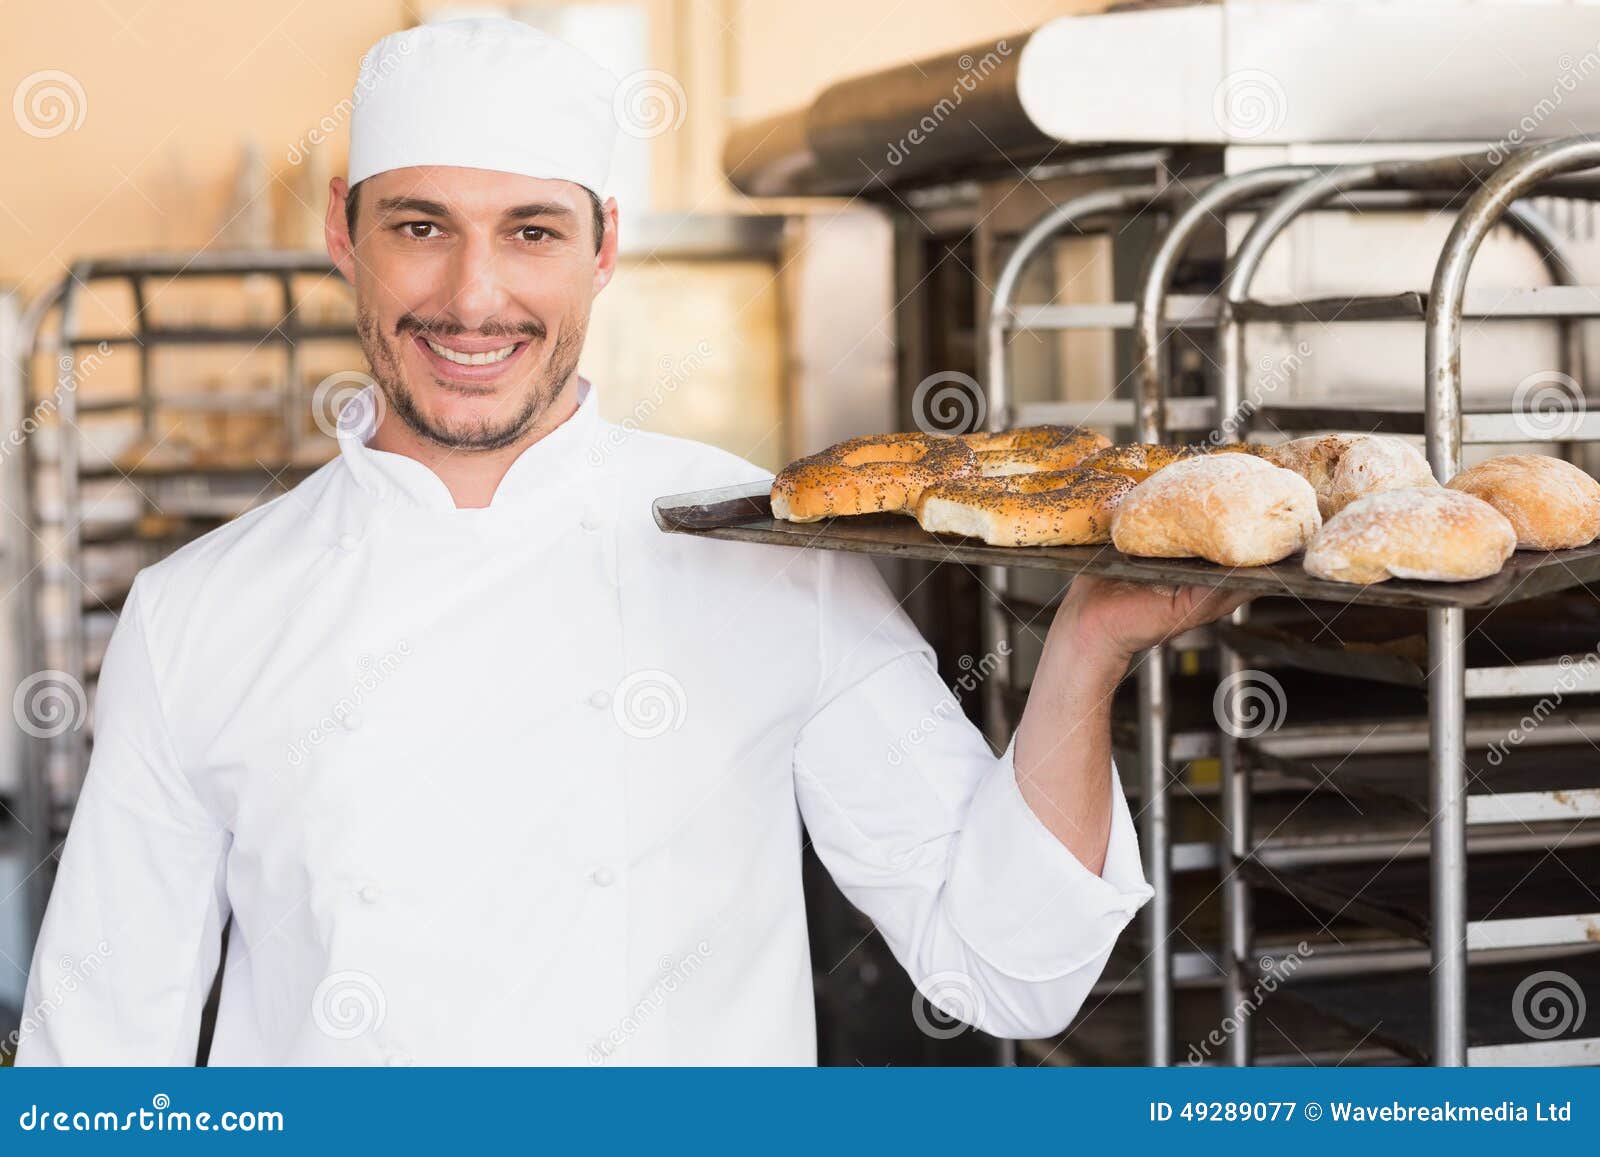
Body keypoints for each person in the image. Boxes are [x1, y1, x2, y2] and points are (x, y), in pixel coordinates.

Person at [16, 17, 1246, 1065]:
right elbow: (98, 1053)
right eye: (421, 226)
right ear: (345, 232)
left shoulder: (760, 546)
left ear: (603, 247)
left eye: (532, 231)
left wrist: (1086, 648)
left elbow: (1007, 966)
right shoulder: (199, 614)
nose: (474, 297)